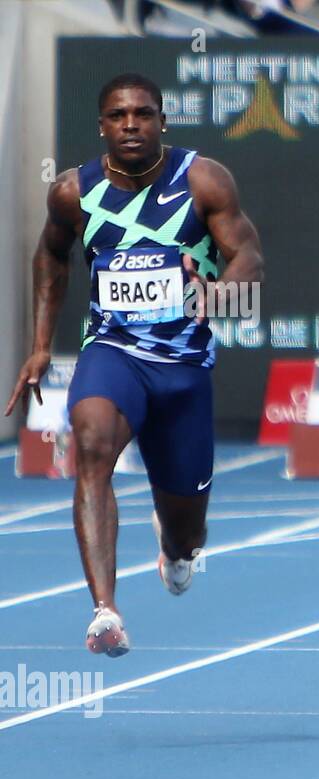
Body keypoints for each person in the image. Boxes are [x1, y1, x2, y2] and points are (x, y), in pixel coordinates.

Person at [4, 73, 263, 657]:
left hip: (183, 369)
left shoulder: (202, 180)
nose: (130, 125)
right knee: (91, 442)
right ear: (102, 124)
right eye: (118, 115)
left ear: (161, 121)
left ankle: (175, 547)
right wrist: (42, 345)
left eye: (143, 114)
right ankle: (105, 611)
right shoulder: (74, 192)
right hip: (113, 353)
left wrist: (221, 293)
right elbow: (50, 254)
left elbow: (249, 257)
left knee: (187, 528)